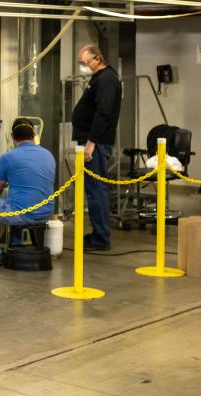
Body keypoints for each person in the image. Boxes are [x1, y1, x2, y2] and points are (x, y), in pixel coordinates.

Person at [0, 118, 56, 266]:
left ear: (13, 138)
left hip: (23, 214)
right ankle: (16, 242)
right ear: (34, 137)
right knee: (14, 197)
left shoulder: (8, 157)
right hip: (46, 211)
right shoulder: (48, 155)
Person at [72, 44, 122, 251]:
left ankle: (101, 239)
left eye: (84, 63)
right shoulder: (98, 78)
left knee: (96, 190)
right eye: (80, 64)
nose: (82, 67)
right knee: (93, 190)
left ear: (97, 59)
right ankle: (98, 234)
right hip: (91, 141)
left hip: (95, 144)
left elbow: (104, 113)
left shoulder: (107, 80)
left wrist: (91, 144)